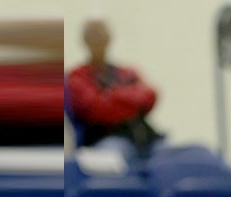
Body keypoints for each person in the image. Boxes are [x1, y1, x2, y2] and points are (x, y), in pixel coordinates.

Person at [65, 19, 162, 155]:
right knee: (112, 155)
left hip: (146, 139)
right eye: (93, 34)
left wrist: (111, 95)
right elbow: (96, 108)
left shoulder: (127, 72)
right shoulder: (77, 77)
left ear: (109, 37)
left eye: (101, 33)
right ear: (85, 40)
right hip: (109, 140)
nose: (98, 38)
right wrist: (131, 100)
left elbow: (149, 96)